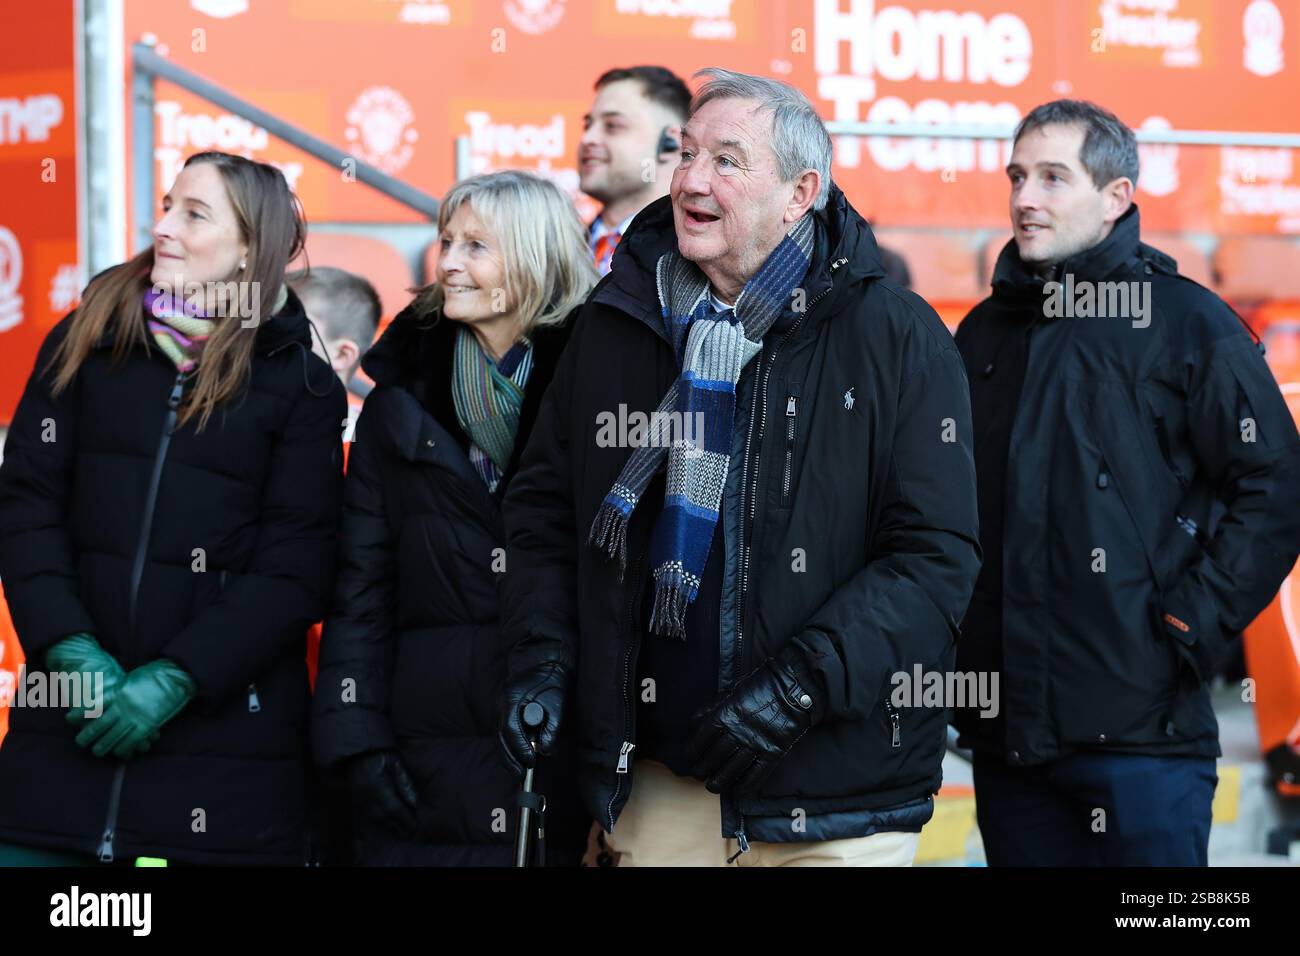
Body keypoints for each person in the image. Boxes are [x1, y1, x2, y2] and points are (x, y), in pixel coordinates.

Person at [498, 69, 980, 867]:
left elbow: (935, 557)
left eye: (726, 160)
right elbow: (547, 515)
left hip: (832, 802)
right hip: (651, 781)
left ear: (801, 193)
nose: (690, 179)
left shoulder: (895, 334)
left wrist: (800, 687)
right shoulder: (616, 323)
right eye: (685, 153)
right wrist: (543, 659)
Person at [953, 100, 1300, 866]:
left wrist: (1187, 627)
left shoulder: (1188, 323)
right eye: (1017, 176)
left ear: (1116, 197)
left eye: (1052, 177)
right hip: (1010, 744)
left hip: (1145, 741)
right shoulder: (981, 335)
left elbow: (1275, 485)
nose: (1024, 198)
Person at [0, 151, 344, 865]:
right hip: (55, 768)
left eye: (194, 214)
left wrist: (175, 679)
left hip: (222, 784)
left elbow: (296, 568)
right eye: (165, 206)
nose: (163, 228)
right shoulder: (86, 342)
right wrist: (69, 650)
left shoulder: (300, 384)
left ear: (252, 246)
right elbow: (26, 508)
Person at [311, 170, 596, 866]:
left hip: (558, 745)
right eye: (446, 241)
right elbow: (361, 587)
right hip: (420, 751)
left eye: (476, 245)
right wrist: (357, 742)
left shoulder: (601, 386)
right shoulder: (398, 400)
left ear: (535, 257)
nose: (450, 262)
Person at [579, 66, 691, 276]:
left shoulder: (697, 259)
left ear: (672, 141)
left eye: (613, 125)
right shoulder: (563, 251)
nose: (587, 139)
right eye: (587, 125)